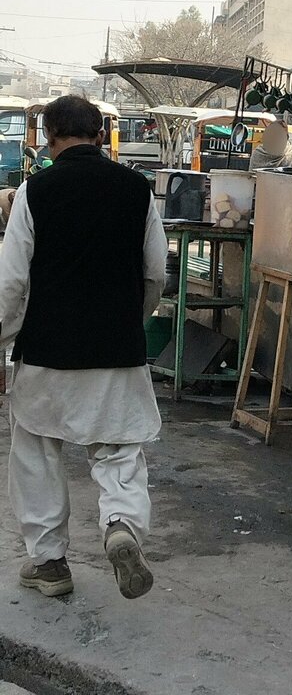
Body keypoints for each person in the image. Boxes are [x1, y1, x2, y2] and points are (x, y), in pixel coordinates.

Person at [1, 95, 167, 599]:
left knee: (36, 449)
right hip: (117, 353)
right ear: (100, 135)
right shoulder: (138, 191)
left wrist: (1, 343)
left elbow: (11, 285)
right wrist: (128, 324)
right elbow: (156, 273)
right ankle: (120, 525)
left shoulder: (34, 192)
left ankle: (50, 564)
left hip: (48, 355)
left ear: (49, 139)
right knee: (118, 450)